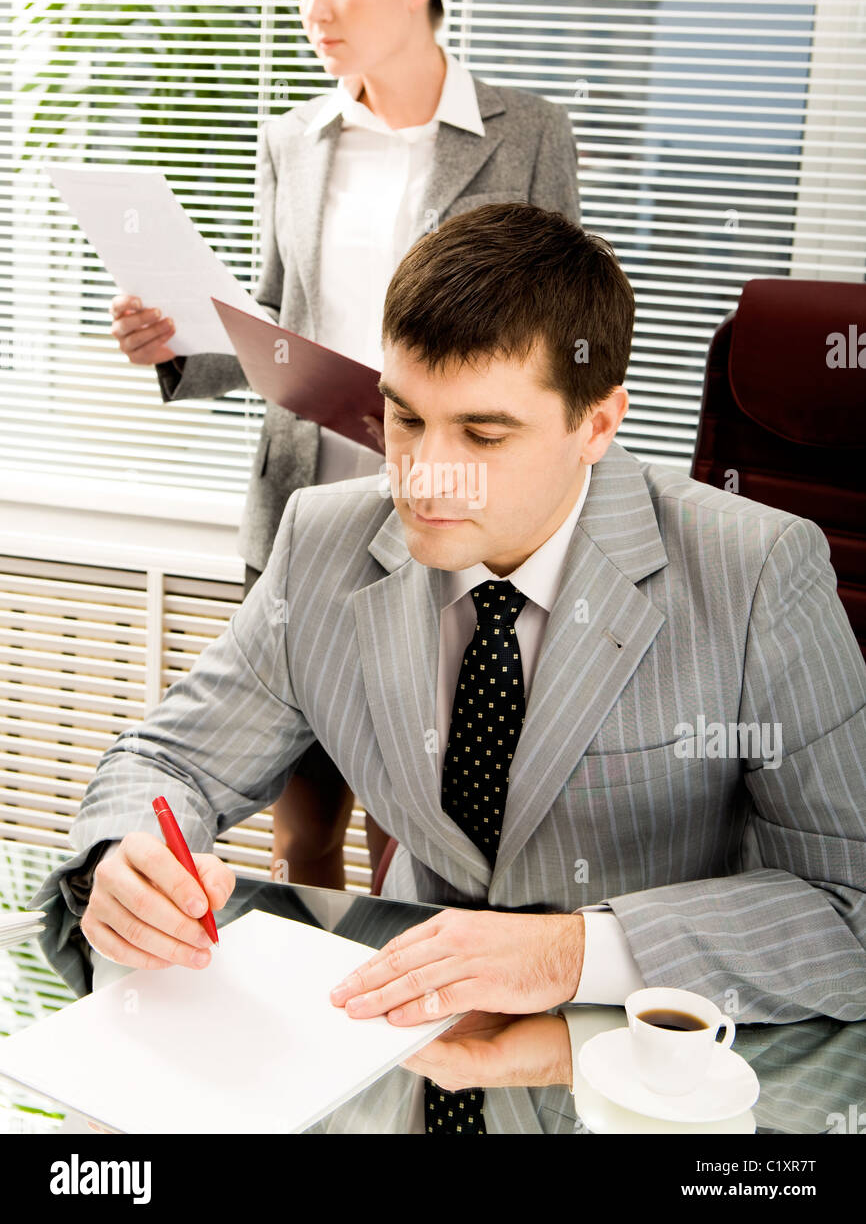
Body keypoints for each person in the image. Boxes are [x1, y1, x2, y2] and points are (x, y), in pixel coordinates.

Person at [31, 202, 866, 1134]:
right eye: (404, 417)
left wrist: (566, 954)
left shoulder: (755, 573)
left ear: (597, 424)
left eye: (483, 434)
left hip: (643, 1077)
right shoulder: (324, 542)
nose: (426, 476)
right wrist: (127, 857)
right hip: (391, 1052)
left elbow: (850, 906)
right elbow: (170, 762)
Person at [106, 0, 581, 892]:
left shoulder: (528, 133)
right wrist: (180, 344)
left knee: (416, 848)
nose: (315, 11)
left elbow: (561, 337)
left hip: (447, 517)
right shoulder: (292, 142)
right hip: (306, 522)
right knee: (298, 835)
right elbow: (279, 331)